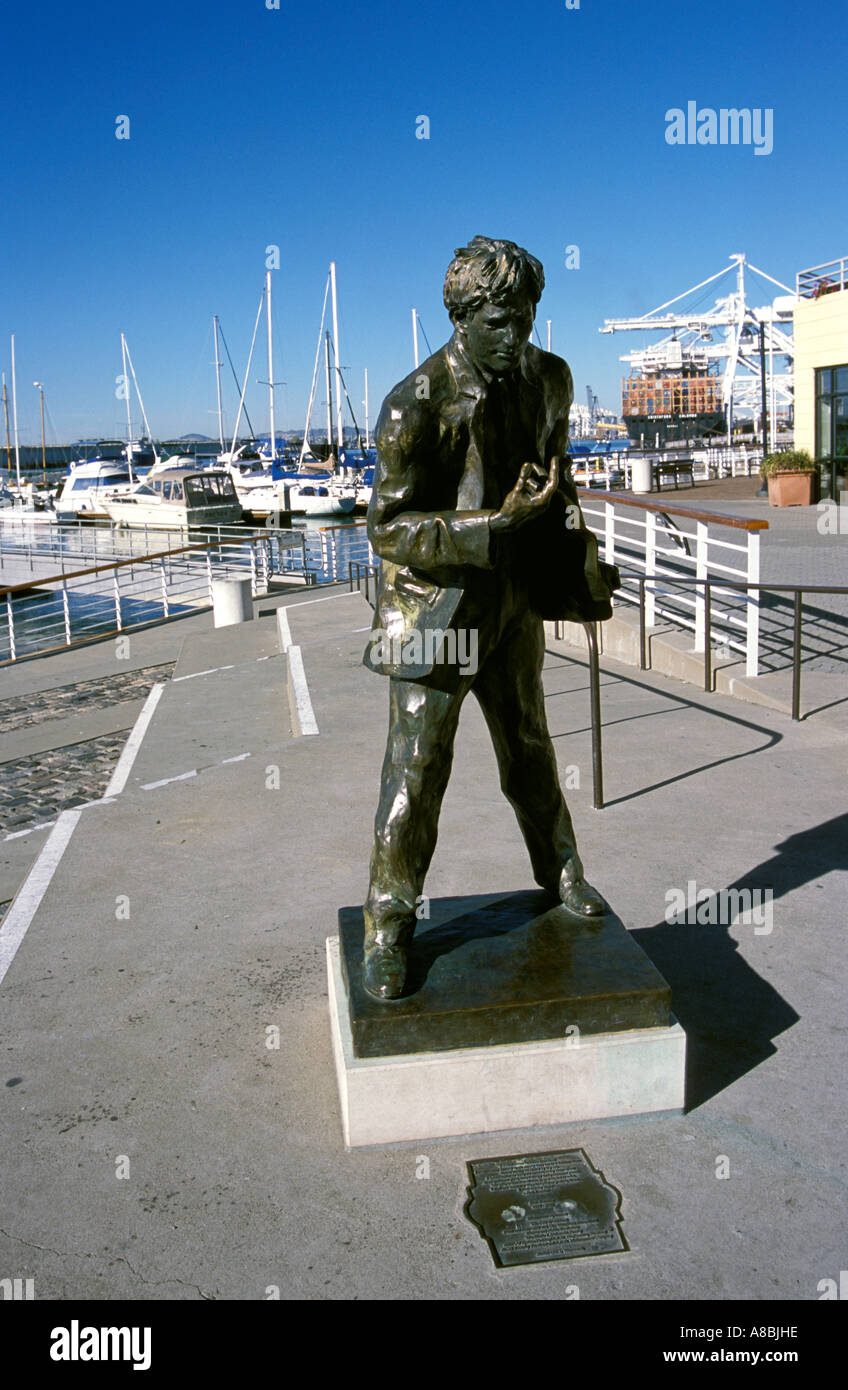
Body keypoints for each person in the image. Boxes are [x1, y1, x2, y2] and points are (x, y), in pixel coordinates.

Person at [360, 236, 619, 1001]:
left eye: (528, 317)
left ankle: (563, 869)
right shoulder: (414, 403)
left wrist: (579, 560)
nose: (519, 336)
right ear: (464, 317)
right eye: (502, 321)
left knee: (531, 748)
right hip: (436, 613)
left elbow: (558, 483)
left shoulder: (551, 380)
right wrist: (491, 528)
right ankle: (389, 925)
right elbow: (386, 528)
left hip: (510, 606)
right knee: (416, 775)